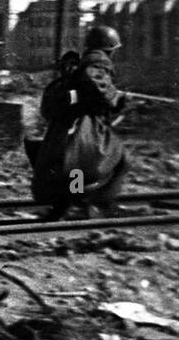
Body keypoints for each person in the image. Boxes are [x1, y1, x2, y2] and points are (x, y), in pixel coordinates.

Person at [30, 24, 129, 219]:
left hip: (69, 127)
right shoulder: (97, 62)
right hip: (85, 127)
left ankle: (68, 206)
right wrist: (115, 97)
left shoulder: (80, 63)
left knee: (76, 166)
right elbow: (98, 89)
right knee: (115, 161)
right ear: (109, 48)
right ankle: (92, 205)